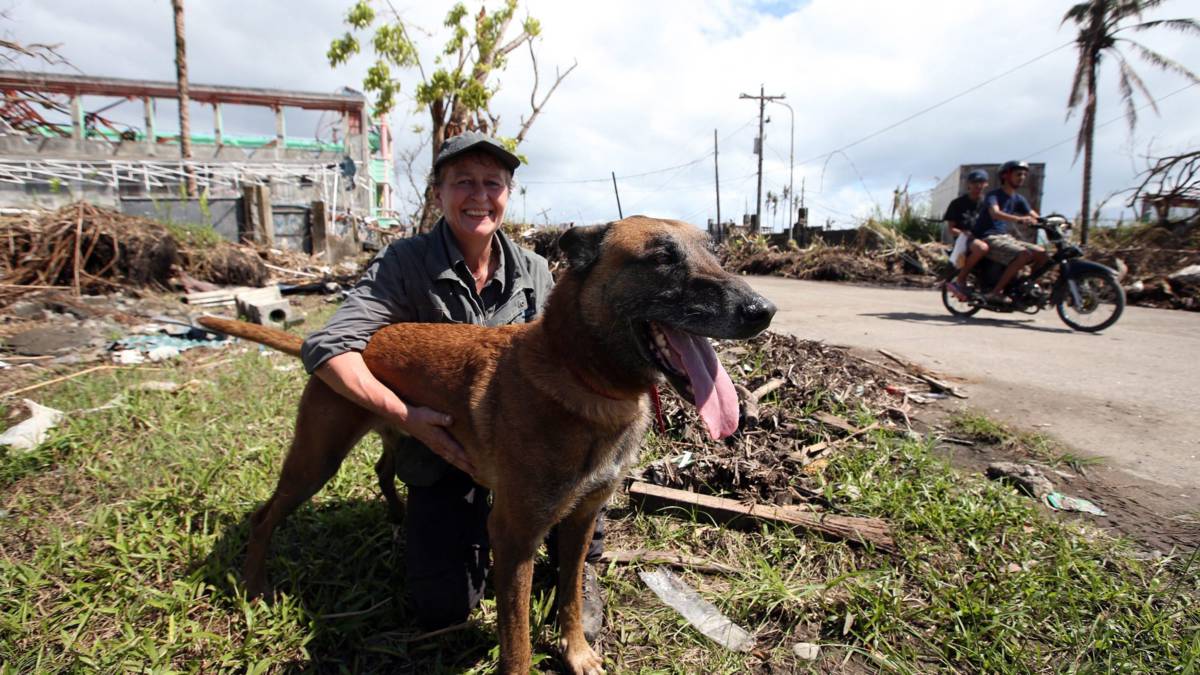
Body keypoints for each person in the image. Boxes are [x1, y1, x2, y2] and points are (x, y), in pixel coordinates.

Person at [299, 131, 605, 637]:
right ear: (437, 192)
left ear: (508, 193)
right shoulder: (404, 262)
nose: (480, 196)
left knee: (586, 465)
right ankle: (472, 531)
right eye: (463, 182)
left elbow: (565, 360)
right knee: (443, 606)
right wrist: (404, 417)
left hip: (522, 449)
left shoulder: (534, 270)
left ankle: (579, 566)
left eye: (493, 183)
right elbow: (329, 346)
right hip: (443, 448)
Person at [972, 160, 1048, 303]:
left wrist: (1050, 222)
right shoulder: (993, 195)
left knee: (1041, 253)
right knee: (1023, 254)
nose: (1022, 178)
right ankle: (995, 292)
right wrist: (1019, 219)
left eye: (1024, 175)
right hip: (989, 236)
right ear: (1005, 176)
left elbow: (1034, 215)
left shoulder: (1019, 199)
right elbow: (995, 213)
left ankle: (1027, 285)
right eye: (1018, 174)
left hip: (1005, 237)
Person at [943, 169, 990, 300]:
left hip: (986, 238)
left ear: (986, 184)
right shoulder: (957, 204)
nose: (978, 186)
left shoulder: (988, 204)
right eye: (975, 183)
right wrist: (965, 234)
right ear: (968, 184)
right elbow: (951, 229)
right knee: (981, 248)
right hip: (964, 241)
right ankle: (960, 279)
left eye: (981, 182)